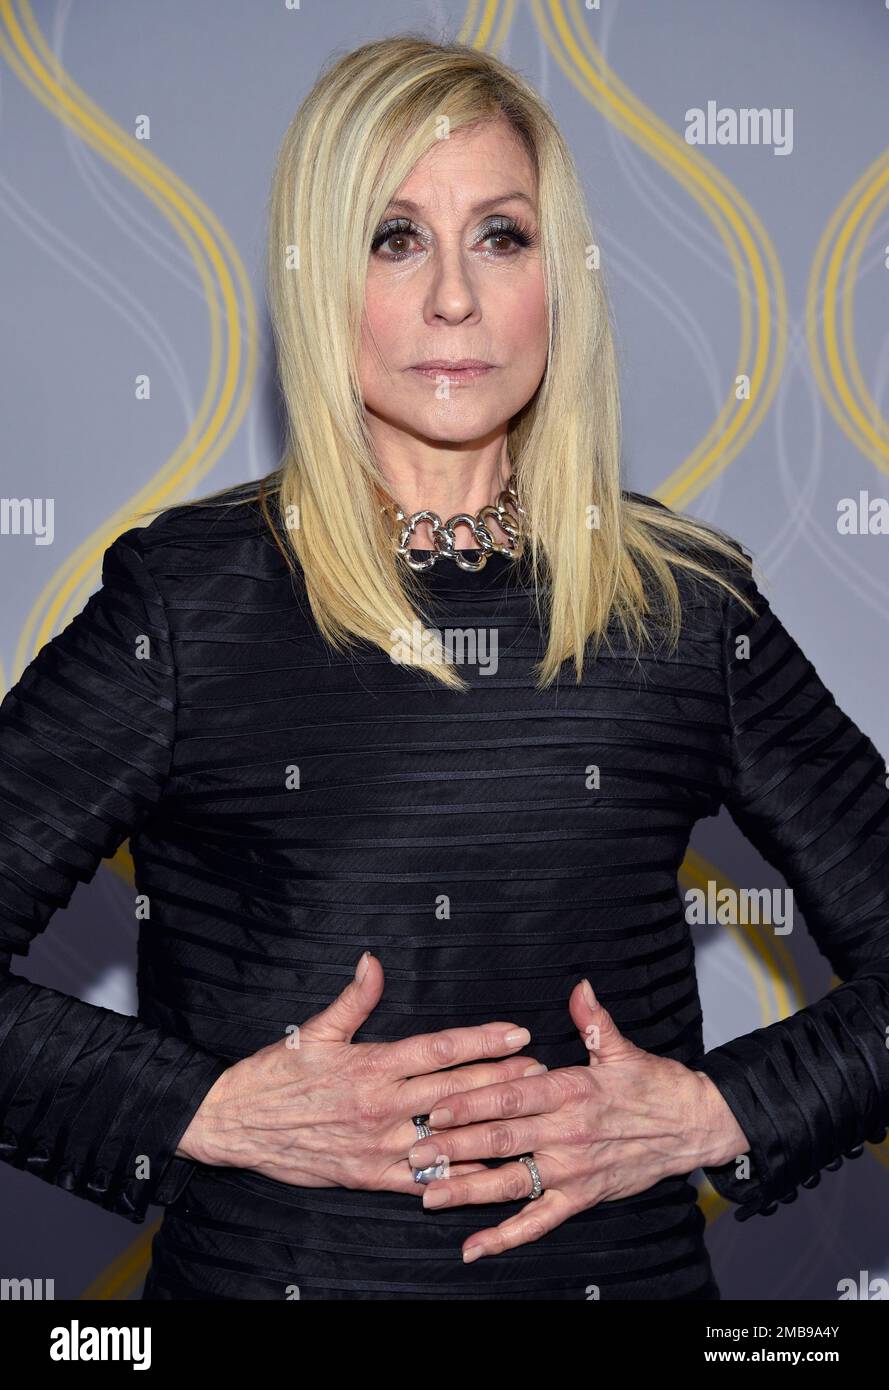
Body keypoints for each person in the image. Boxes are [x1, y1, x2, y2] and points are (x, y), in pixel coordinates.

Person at [1, 35, 887, 1302]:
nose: (455, 298)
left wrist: (714, 1115)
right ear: (320, 277)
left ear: (556, 274)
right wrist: (203, 1108)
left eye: (503, 236)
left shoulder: (684, 604)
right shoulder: (194, 599)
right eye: (394, 236)